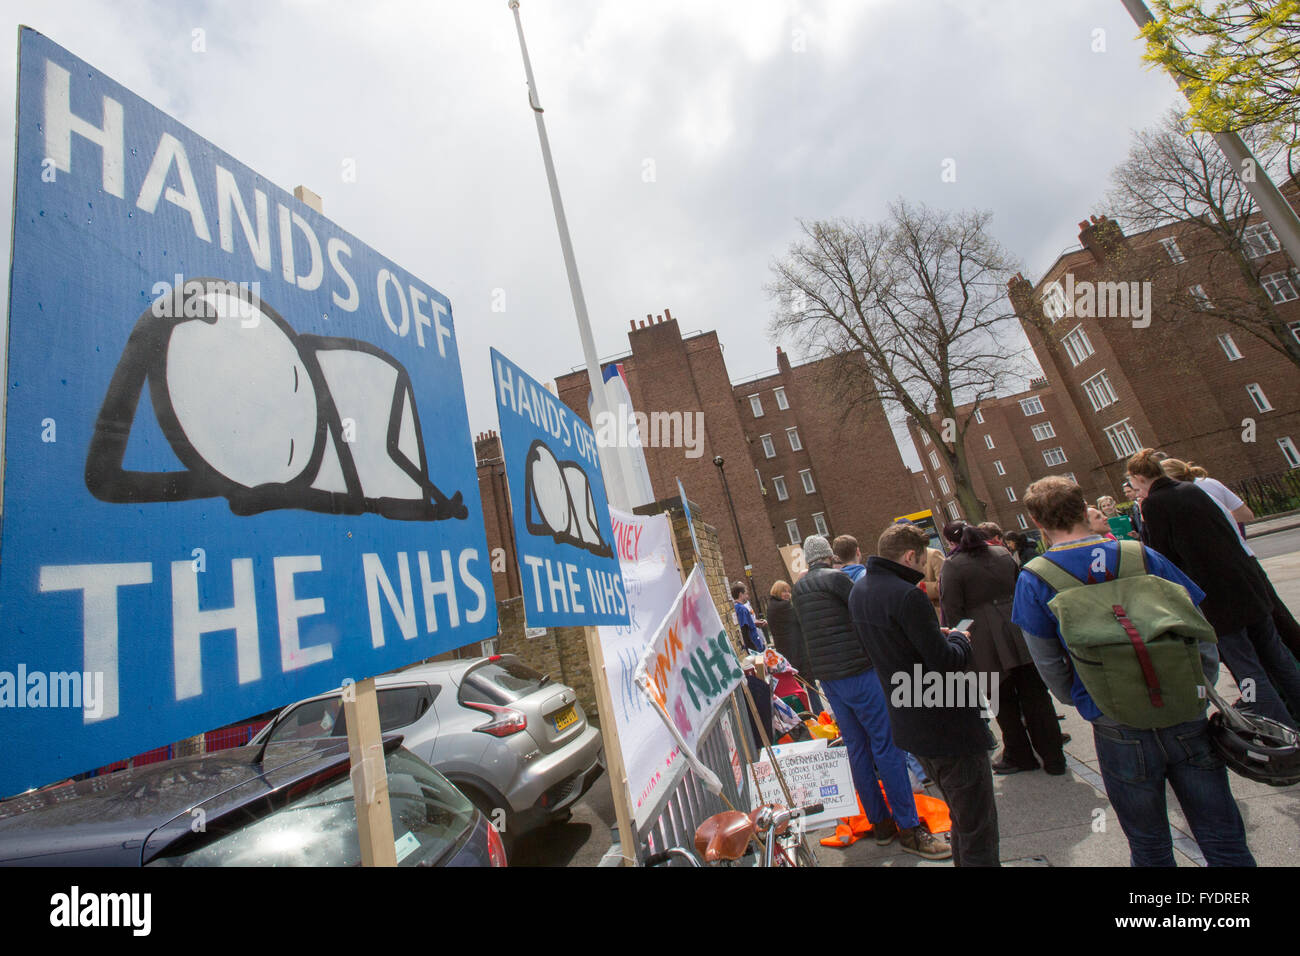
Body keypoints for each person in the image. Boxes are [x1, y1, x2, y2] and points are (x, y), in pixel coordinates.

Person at [1012, 475, 1255, 867]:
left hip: (1114, 718)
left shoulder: (1035, 577)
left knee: (1149, 845)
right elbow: (1197, 624)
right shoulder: (1139, 555)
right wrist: (1200, 682)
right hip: (1183, 704)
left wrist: (1082, 697)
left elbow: (1047, 661)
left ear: (1037, 522)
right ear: (1083, 507)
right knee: (1223, 836)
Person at [792, 534, 949, 859]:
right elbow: (864, 611)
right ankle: (908, 827)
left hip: (830, 678)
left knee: (857, 749)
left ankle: (880, 824)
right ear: (828, 555)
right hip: (859, 671)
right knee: (887, 746)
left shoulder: (799, 589)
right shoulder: (836, 579)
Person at [852, 522, 998, 866]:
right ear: (909, 556)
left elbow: (894, 647)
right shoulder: (907, 596)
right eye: (921, 563)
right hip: (946, 720)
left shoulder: (860, 591)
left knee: (962, 817)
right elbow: (946, 662)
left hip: (910, 718)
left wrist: (936, 637)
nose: (922, 571)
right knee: (977, 823)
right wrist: (960, 640)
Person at [1128, 448, 1300, 730]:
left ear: (1139, 477)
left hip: (1217, 599)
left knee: (1247, 669)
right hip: (1247, 585)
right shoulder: (1191, 489)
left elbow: (1162, 557)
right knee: (1278, 658)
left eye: (1134, 487)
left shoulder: (1155, 504)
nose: (1135, 493)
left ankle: (1280, 730)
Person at [940, 522, 1066, 776]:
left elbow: (952, 611)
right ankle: (1054, 757)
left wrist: (956, 641)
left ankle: (1020, 755)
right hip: (1019, 628)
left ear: (951, 542)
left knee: (1004, 701)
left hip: (984, 639)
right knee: (1037, 696)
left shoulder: (952, 566)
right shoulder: (1000, 553)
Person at [1160, 458, 1300, 659]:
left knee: (1243, 636)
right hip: (1245, 559)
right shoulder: (1209, 483)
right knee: (1276, 618)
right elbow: (1246, 514)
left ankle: (1268, 680)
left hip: (1217, 569)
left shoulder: (1178, 496)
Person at [766, 579, 822, 715]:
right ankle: (818, 713)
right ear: (777, 592)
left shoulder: (772, 607)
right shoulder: (784, 607)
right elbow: (799, 617)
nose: (787, 594)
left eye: (788, 591)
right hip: (796, 650)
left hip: (787, 651)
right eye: (784, 591)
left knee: (799, 687)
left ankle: (806, 716)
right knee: (809, 684)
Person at [732, 581, 766, 653]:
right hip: (754, 646)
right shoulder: (742, 609)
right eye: (745, 594)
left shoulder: (736, 607)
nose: (747, 596)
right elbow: (745, 629)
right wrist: (752, 648)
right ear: (741, 594)